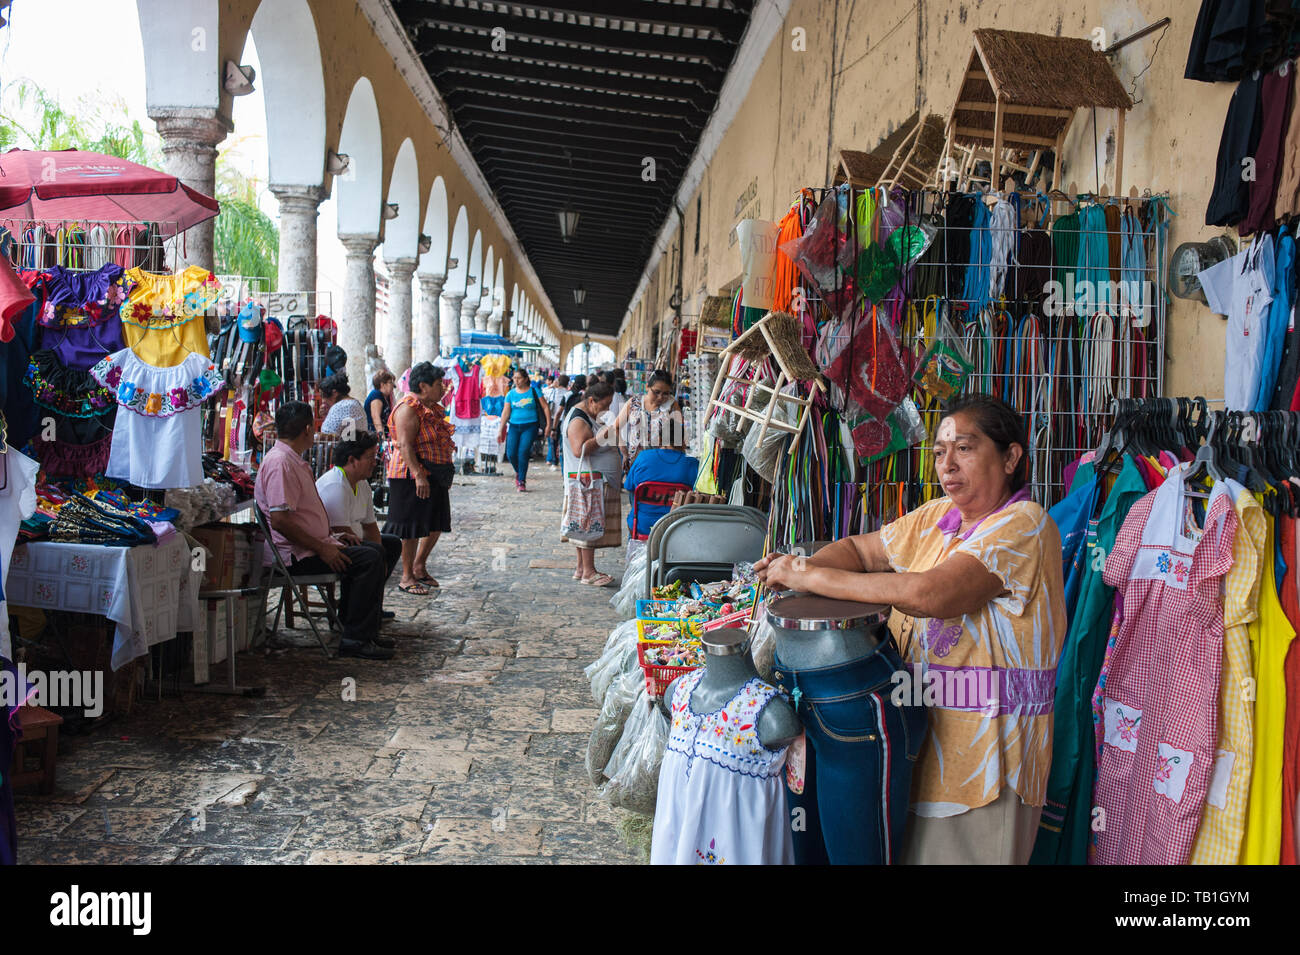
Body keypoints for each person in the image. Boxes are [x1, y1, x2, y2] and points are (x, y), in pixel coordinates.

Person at [753, 394, 1066, 865]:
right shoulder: (937, 518)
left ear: (1010, 457)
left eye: (965, 448)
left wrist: (805, 573)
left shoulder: (1025, 525)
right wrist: (808, 571)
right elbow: (859, 551)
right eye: (940, 452)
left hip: (985, 763)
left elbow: (929, 594)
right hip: (916, 747)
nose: (948, 464)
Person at [255, 401, 393, 660]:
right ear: (308, 429)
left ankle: (360, 629)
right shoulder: (280, 463)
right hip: (296, 556)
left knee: (376, 550)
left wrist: (333, 537)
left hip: (311, 546)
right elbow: (280, 521)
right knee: (369, 559)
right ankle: (355, 638)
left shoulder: (291, 460)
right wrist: (323, 548)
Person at [382, 362, 455, 595]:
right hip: (410, 475)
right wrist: (418, 475)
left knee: (436, 522)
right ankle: (406, 577)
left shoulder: (429, 407)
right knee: (410, 527)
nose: (443, 388)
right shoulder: (408, 408)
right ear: (423, 386)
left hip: (434, 473)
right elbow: (405, 445)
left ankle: (419, 566)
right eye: (438, 384)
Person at [317, 432, 401, 622]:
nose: (375, 462)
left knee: (392, 544)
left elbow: (370, 527)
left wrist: (382, 559)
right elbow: (342, 534)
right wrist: (377, 556)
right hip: (333, 545)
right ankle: (353, 616)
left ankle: (371, 605)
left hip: (354, 539)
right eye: (370, 457)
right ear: (352, 460)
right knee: (370, 556)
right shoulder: (335, 485)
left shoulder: (362, 484)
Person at [562, 381, 621, 586]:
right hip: (589, 482)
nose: (606, 409)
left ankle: (581, 568)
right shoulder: (578, 419)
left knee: (584, 522)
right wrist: (602, 436)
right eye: (604, 405)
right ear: (591, 401)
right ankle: (589, 571)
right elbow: (579, 450)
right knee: (589, 522)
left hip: (592, 480)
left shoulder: (587, 414)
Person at [614, 369, 682, 472]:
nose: (660, 397)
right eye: (656, 392)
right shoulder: (634, 403)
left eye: (665, 393)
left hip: (661, 463)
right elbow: (616, 427)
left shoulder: (672, 405)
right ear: (647, 387)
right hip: (635, 462)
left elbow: (679, 435)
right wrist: (623, 450)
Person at [623, 445, 700, 537]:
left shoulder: (643, 457)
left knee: (635, 498)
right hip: (676, 527)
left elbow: (629, 486)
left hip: (642, 527)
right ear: (683, 442)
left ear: (659, 440)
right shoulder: (692, 463)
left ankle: (633, 544)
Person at [496, 368, 551, 492]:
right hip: (514, 426)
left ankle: (521, 480)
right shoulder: (510, 394)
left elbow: (545, 407)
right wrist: (500, 429)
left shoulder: (534, 391)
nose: (516, 380)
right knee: (510, 453)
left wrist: (548, 425)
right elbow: (506, 412)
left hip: (530, 426)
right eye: (514, 378)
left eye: (519, 378)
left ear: (526, 379)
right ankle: (519, 472)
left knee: (523, 452)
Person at [319, 373, 368, 438]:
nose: (323, 401)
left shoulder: (340, 407)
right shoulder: (354, 403)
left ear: (334, 393)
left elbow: (326, 434)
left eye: (323, 396)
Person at [546, 373, 569, 470]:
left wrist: (551, 386)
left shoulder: (552, 392)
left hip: (553, 419)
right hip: (564, 420)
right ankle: (563, 461)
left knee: (553, 442)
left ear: (558, 382)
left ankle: (554, 462)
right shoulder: (568, 394)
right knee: (563, 441)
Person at [365, 369, 396, 435]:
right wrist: (382, 437)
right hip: (375, 435)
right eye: (390, 382)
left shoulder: (386, 396)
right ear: (382, 385)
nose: (393, 385)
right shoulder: (376, 395)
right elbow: (376, 418)